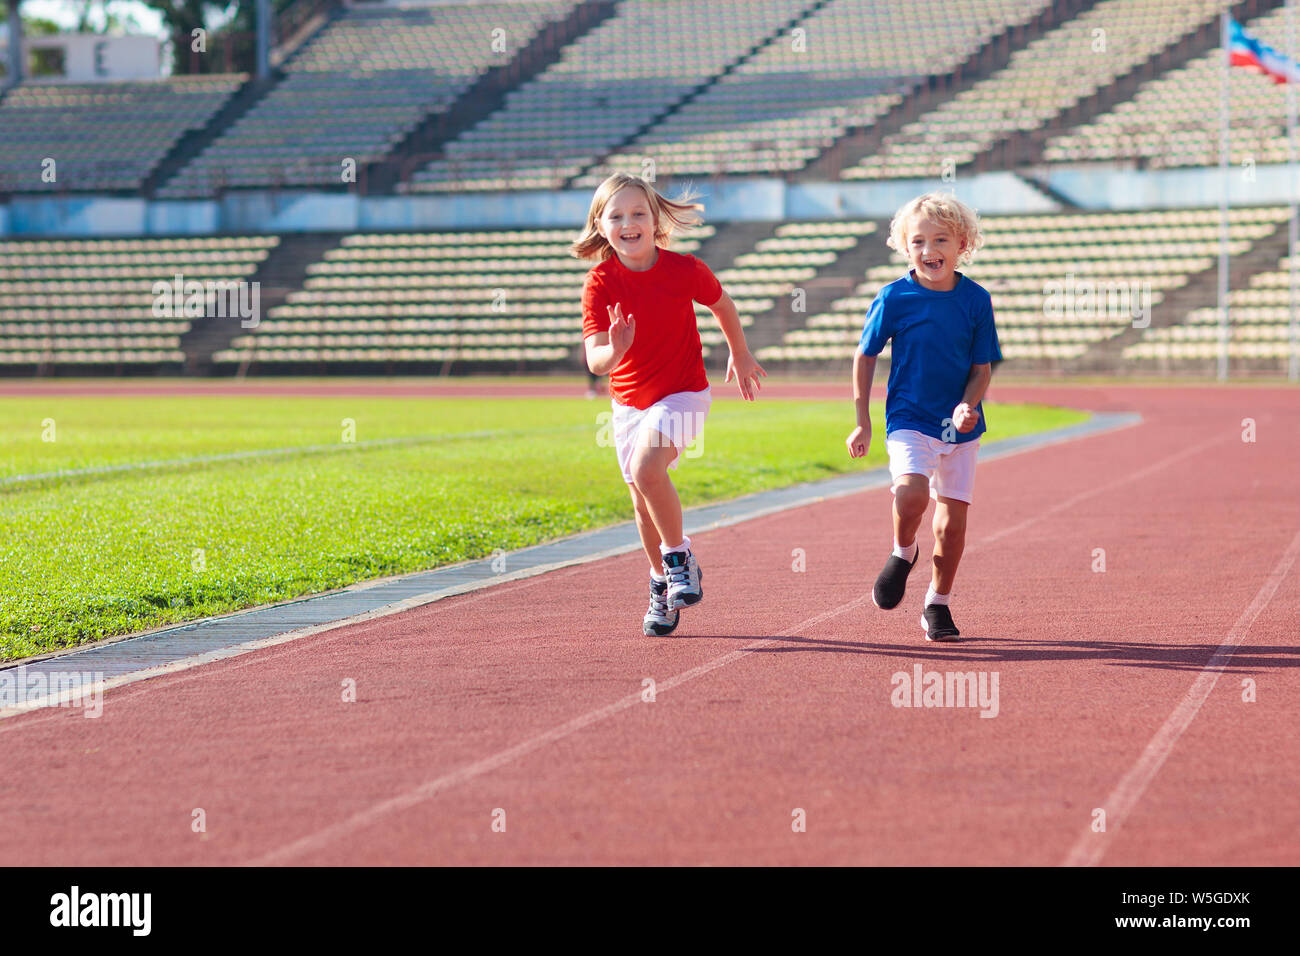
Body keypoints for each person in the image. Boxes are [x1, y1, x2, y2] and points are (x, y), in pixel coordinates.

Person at [574, 173, 766, 636]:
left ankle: (679, 557)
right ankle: (661, 583)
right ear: (600, 225)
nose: (628, 223)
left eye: (638, 213)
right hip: (628, 404)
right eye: (616, 215)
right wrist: (616, 350)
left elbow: (723, 304)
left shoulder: (684, 270)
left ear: (655, 219)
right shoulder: (599, 282)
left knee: (646, 470)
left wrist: (740, 353)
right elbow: (596, 359)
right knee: (641, 500)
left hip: (684, 393)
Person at [845, 193, 1002, 642]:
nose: (929, 251)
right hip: (909, 417)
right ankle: (902, 551)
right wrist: (863, 419)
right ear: (904, 246)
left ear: (962, 244)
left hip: (959, 426)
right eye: (918, 242)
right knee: (911, 494)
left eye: (940, 240)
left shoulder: (976, 300)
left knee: (951, 526)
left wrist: (968, 405)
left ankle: (938, 602)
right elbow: (865, 354)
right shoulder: (894, 297)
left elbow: (981, 368)